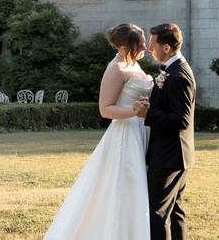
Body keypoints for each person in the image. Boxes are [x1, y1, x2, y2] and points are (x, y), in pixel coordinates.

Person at [42, 23, 153, 240]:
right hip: (126, 134)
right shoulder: (115, 69)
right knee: (124, 186)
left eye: (144, 44)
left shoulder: (135, 66)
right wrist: (135, 111)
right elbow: (105, 109)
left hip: (143, 131)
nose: (145, 49)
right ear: (124, 47)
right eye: (139, 45)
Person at [133, 22, 196, 240]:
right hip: (176, 155)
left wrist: (147, 116)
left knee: (156, 212)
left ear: (166, 48)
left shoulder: (178, 76)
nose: (149, 48)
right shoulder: (172, 70)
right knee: (175, 211)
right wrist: (151, 105)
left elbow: (182, 119)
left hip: (169, 156)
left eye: (153, 45)